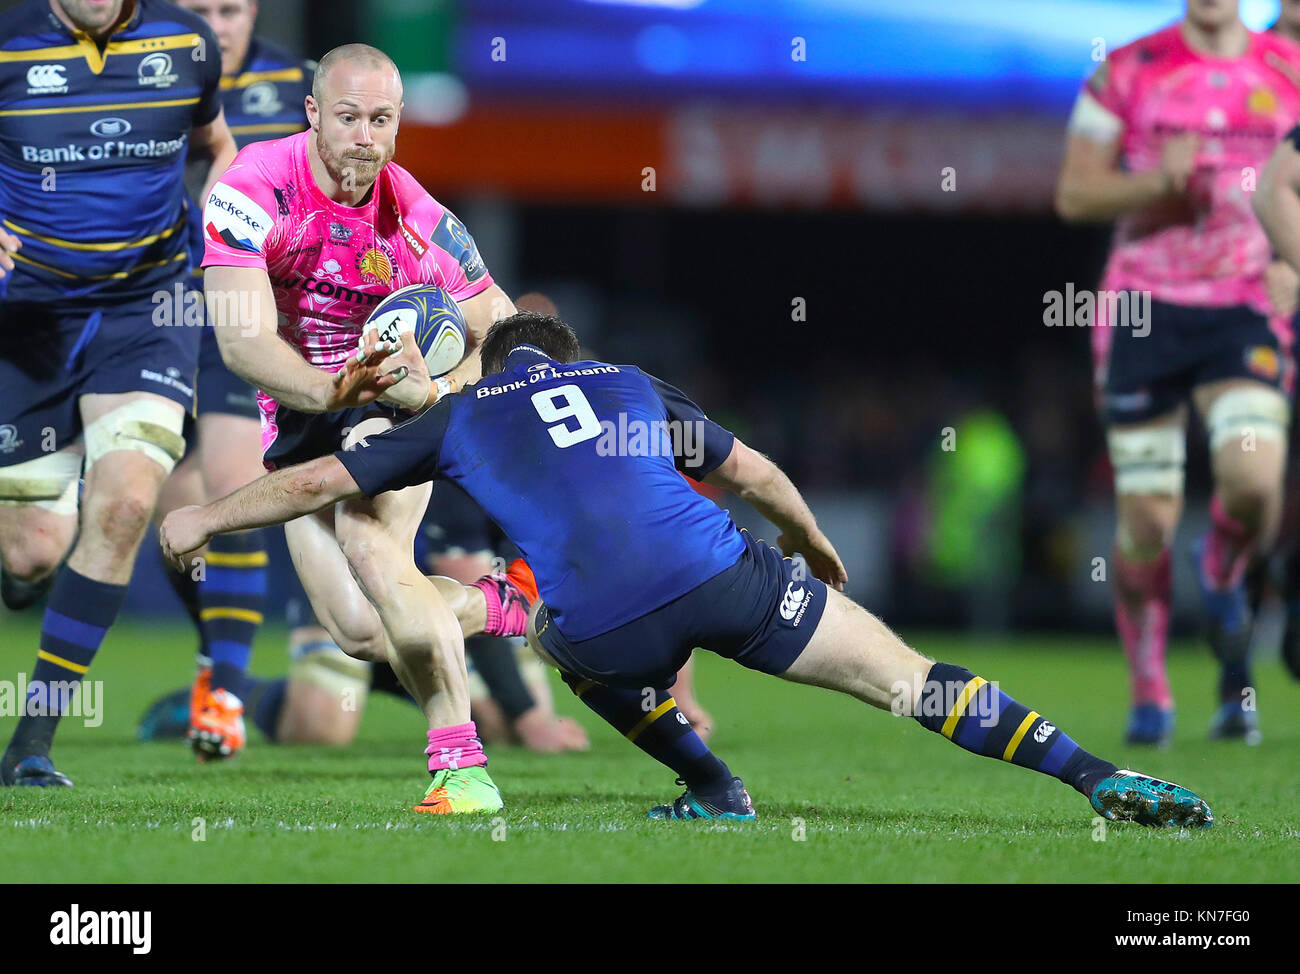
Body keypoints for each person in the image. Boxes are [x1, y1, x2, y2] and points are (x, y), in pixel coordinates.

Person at [160, 313, 1214, 828]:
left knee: (553, 632)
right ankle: (1092, 774)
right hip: (731, 573)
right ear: (567, 349)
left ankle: (712, 787)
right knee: (909, 677)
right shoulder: (624, 379)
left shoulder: (460, 409)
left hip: (607, 626)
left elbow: (306, 486)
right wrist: (808, 541)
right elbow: (749, 467)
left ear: (492, 359)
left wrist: (204, 514)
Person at [197, 42, 519, 811]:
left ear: (399, 123)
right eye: (347, 118)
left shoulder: (419, 219)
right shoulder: (252, 191)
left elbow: (505, 329)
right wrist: (332, 390)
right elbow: (241, 342)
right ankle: (503, 602)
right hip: (305, 409)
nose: (364, 138)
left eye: (381, 120)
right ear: (313, 114)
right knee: (356, 631)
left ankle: (460, 769)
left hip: (388, 409)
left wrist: (432, 388)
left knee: (373, 548)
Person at [0, 0, 236, 787]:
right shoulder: (8, 42)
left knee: (129, 503)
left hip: (148, 308)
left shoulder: (188, 43)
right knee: (29, 550)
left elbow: (212, 145)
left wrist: (228, 232)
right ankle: (25, 575)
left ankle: (32, 745)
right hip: (25, 321)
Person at [1054, 0, 1300, 746]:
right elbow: (1073, 194)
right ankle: (1150, 685)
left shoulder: (1286, 68)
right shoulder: (1129, 69)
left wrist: (1294, 260)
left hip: (1248, 305)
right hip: (1143, 309)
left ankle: (1222, 574)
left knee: (1255, 485)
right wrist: (1151, 181)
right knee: (1147, 522)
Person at [147, 0, 317, 759]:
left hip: (243, 312)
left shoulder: (301, 85)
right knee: (156, 505)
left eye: (232, 7)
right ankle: (213, 651)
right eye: (202, 9)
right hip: (144, 313)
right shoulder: (146, 73)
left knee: (227, 485)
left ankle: (227, 693)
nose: (218, 23)